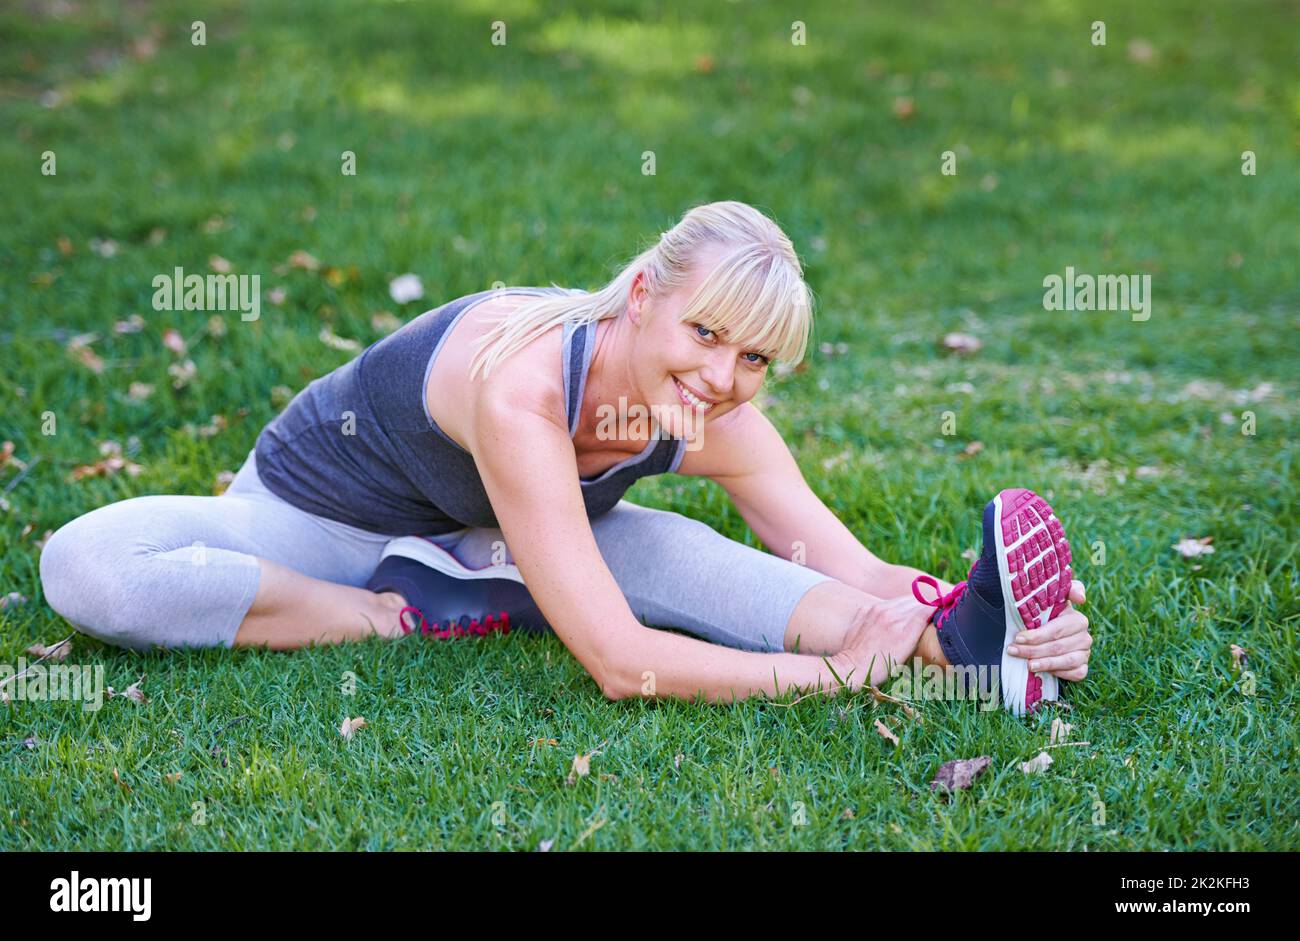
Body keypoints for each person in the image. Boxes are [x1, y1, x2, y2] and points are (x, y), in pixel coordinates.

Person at [38, 201, 1091, 714]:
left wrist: (966, 610)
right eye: (706, 333)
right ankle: (399, 608)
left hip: (523, 532)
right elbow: (625, 666)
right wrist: (826, 677)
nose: (723, 376)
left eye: (756, 355)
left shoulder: (716, 416)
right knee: (86, 564)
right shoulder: (521, 385)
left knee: (668, 552)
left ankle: (970, 661)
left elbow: (847, 568)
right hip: (316, 526)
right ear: (642, 298)